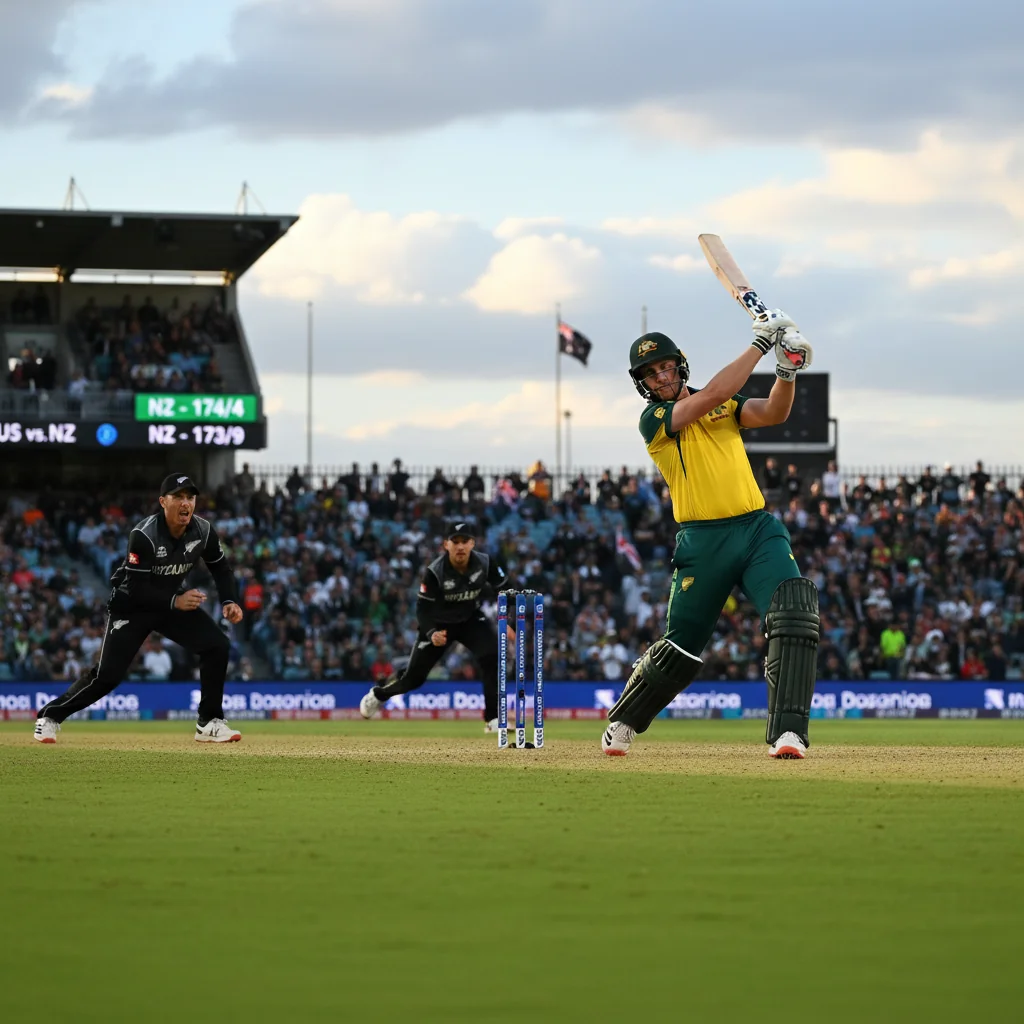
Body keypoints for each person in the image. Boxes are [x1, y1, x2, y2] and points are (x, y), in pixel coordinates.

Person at [605, 308, 819, 759]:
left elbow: (772, 412)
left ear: (679, 364)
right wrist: (760, 344)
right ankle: (625, 718)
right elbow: (721, 389)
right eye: (651, 373)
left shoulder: (723, 403)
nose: (660, 377)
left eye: (665, 366)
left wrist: (786, 370)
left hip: (757, 528)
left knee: (794, 612)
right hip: (703, 541)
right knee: (680, 648)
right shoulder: (656, 419)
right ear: (642, 382)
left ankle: (788, 733)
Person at [33, 474, 244, 744]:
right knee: (107, 677)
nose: (185, 503)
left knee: (217, 646)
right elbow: (137, 589)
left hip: (169, 602)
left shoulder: (203, 530)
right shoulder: (144, 535)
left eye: (190, 497)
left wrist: (229, 600)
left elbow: (221, 568)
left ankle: (209, 721)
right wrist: (175, 601)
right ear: (162, 502)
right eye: (178, 497)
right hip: (132, 606)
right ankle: (49, 717)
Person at [358, 521, 513, 731]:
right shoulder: (435, 572)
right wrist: (431, 633)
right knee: (413, 680)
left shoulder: (485, 563)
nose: (460, 547)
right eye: (455, 542)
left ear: (473, 544)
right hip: (438, 625)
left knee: (492, 656)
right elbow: (422, 609)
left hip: (469, 619)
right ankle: (378, 695)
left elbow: (506, 591)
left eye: (465, 541)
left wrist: (507, 621)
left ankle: (493, 719)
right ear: (446, 545)